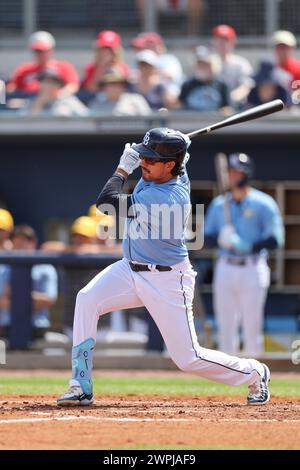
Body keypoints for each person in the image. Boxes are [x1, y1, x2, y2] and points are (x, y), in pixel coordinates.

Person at [57, 127, 271, 407]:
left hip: (167, 280)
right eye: (143, 157)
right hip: (129, 269)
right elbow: (179, 158)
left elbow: (106, 203)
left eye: (150, 159)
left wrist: (123, 168)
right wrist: (173, 145)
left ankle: (254, 372)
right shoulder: (175, 168)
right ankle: (80, 384)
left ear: (171, 165)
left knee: (188, 358)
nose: (143, 163)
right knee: (87, 299)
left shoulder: (167, 198)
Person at [204, 153, 284, 355]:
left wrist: (247, 245)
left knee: (252, 324)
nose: (231, 176)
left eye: (236, 172)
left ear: (245, 174)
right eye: (229, 172)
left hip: (252, 266)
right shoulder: (218, 204)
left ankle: (255, 375)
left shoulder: (264, 203)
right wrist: (221, 239)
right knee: (226, 325)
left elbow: (275, 239)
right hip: (225, 265)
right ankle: (227, 375)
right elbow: (206, 238)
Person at [0, 225, 58, 334]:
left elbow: (49, 300)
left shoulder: (45, 268)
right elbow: (2, 302)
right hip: (6, 328)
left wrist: (16, 296)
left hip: (37, 328)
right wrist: (30, 299)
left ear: (33, 243)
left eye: (23, 244)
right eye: (17, 245)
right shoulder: (4, 268)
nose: (20, 248)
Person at [7, 31, 79, 97]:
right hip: (28, 104)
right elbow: (12, 88)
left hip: (57, 104)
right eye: (37, 51)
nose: (40, 54)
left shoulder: (64, 67)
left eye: (43, 51)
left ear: (51, 50)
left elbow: (73, 86)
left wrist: (57, 96)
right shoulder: (25, 69)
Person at [212, 25, 253, 108]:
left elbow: (247, 86)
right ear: (214, 41)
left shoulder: (241, 64)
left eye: (225, 40)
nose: (222, 43)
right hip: (212, 108)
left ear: (233, 42)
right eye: (219, 39)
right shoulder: (208, 62)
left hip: (236, 109)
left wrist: (228, 100)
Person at [179, 46, 230, 112]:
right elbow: (180, 106)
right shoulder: (187, 85)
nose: (202, 68)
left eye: (205, 64)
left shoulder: (222, 86)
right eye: (199, 64)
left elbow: (227, 109)